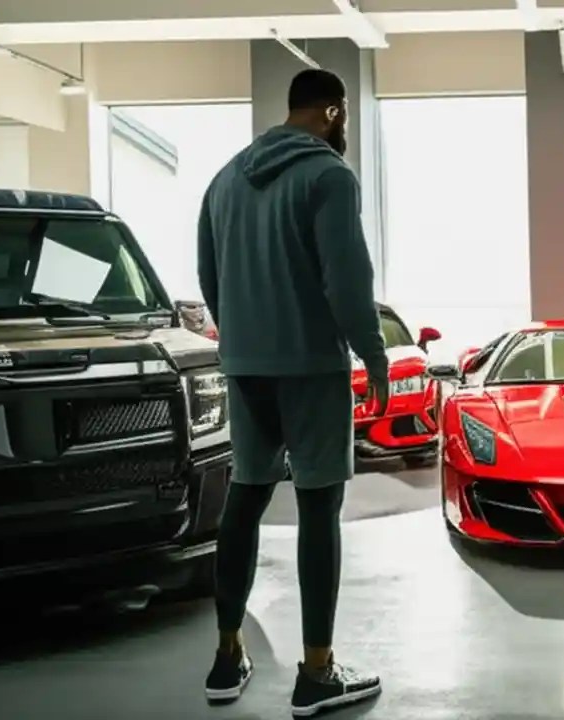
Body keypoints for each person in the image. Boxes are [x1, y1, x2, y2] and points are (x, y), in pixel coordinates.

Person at [196, 68, 391, 717]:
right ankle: (317, 672)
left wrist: (242, 339)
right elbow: (347, 279)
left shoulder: (224, 179)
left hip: (245, 366)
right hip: (311, 367)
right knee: (317, 509)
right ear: (334, 111)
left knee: (245, 502)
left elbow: (208, 273)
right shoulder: (328, 177)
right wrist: (373, 353)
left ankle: (227, 660)